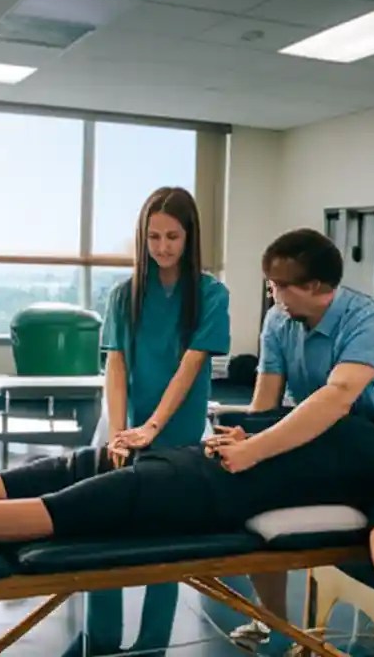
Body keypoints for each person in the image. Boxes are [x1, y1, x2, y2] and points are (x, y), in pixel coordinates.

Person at [0, 399, 374, 657]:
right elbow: (272, 425)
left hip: (194, 493)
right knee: (52, 471)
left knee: (70, 510)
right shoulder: (351, 419)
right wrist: (248, 435)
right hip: (185, 460)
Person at [218, 227, 374, 653]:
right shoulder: (278, 320)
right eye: (270, 283)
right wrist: (245, 437)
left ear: (315, 286)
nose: (272, 293)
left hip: (368, 445)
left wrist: (253, 451)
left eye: (280, 285)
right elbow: (265, 401)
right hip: (309, 436)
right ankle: (271, 620)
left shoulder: (372, 319)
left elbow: (338, 398)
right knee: (249, 487)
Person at [85, 185, 230, 655]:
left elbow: (189, 367)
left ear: (190, 238)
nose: (163, 247)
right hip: (125, 424)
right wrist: (121, 430)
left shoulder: (211, 294)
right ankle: (102, 642)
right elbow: (117, 365)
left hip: (180, 430)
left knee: (164, 539)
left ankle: (152, 648)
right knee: (104, 528)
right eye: (153, 238)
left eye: (172, 237)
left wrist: (154, 427)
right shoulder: (124, 294)